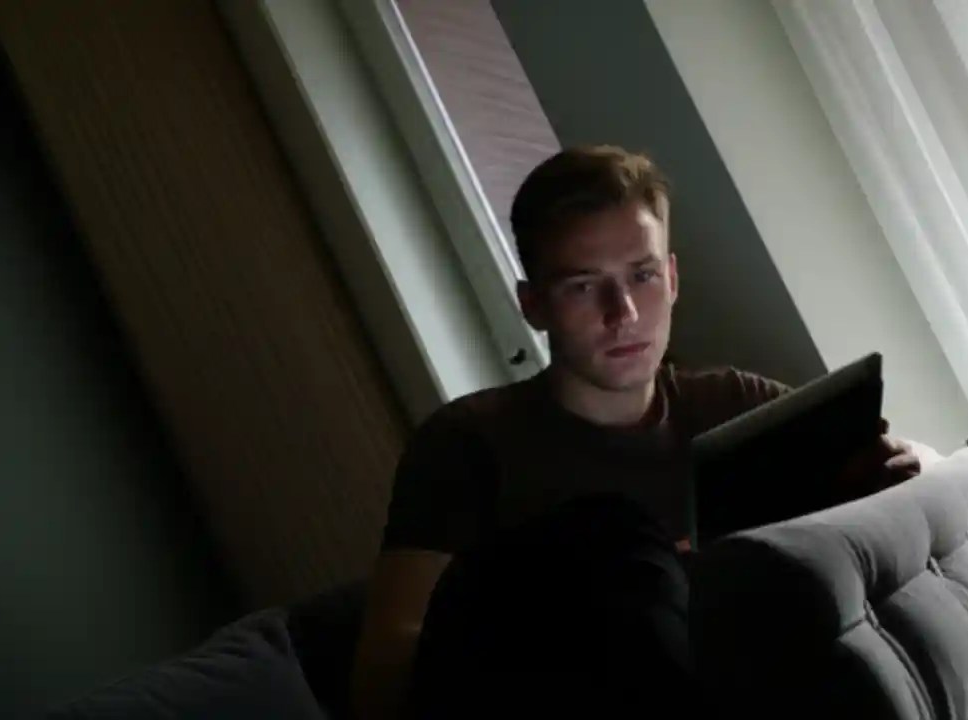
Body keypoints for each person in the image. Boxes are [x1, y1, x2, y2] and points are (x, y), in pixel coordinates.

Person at [350, 146, 936, 718]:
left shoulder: (735, 404)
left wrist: (900, 469)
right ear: (533, 306)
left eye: (643, 276)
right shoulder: (466, 444)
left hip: (757, 686)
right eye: (583, 285)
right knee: (611, 539)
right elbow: (389, 672)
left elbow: (927, 475)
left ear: (673, 278)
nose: (623, 312)